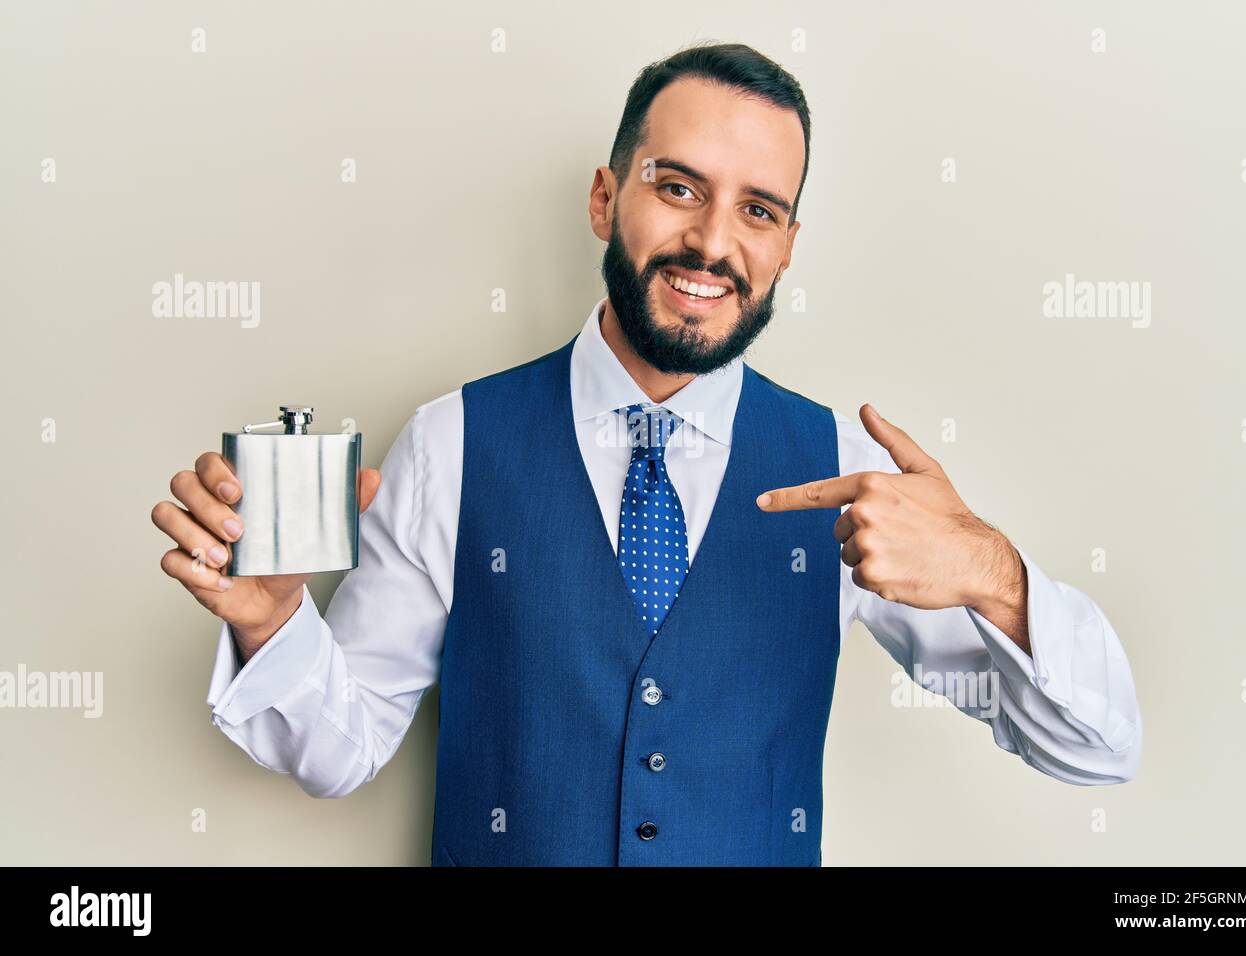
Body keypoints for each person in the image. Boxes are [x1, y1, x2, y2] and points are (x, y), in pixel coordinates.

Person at [152, 42, 1141, 866]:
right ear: (604, 198)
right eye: (678, 188)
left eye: (757, 209)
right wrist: (273, 619)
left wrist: (990, 570)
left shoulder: (843, 471)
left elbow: (1097, 749)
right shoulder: (452, 441)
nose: (712, 242)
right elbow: (340, 746)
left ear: (787, 245)